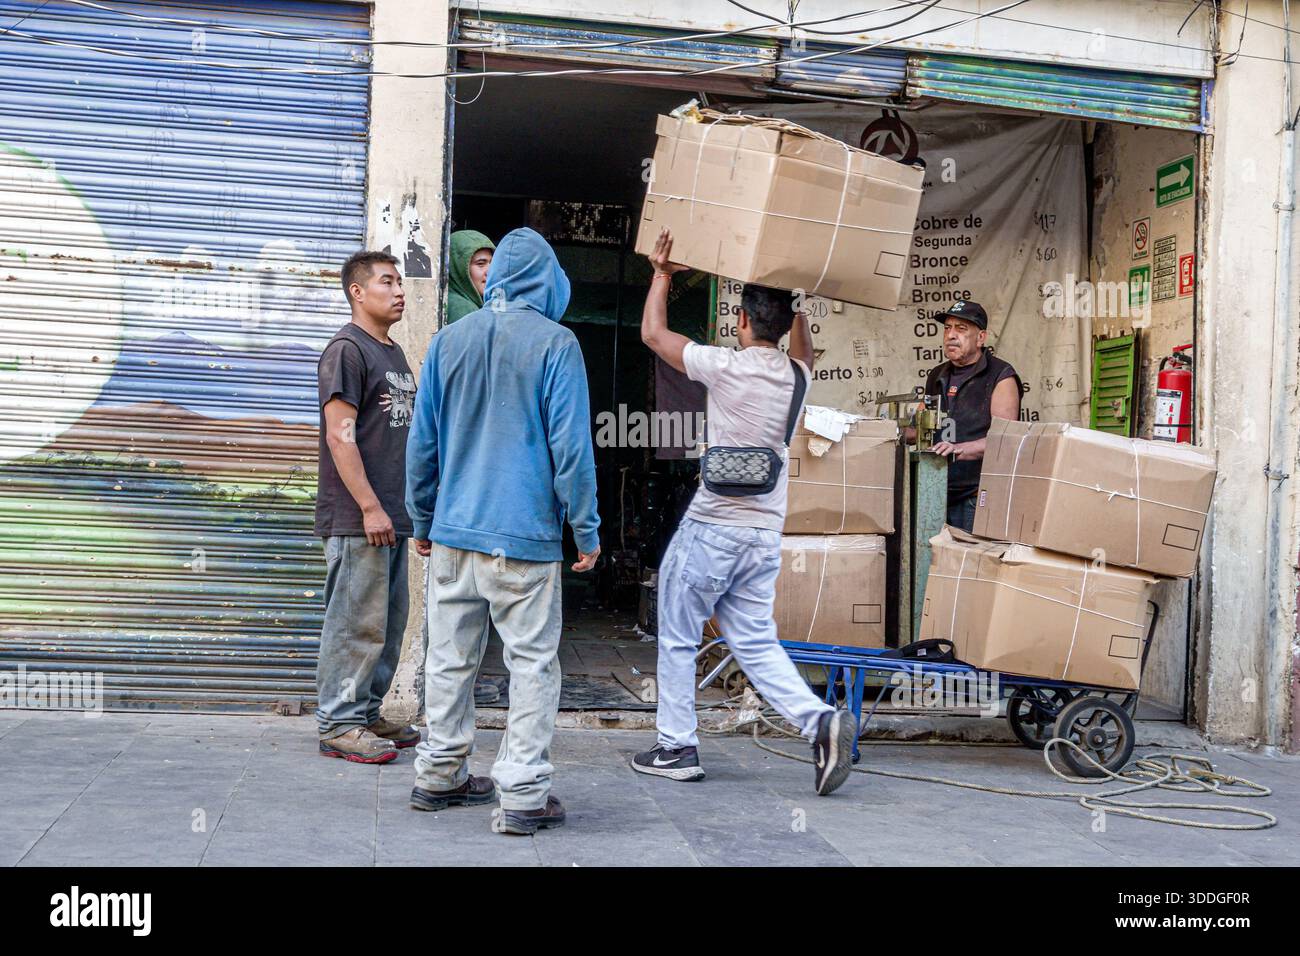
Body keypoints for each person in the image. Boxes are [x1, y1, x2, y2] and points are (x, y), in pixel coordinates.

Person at [630, 229, 858, 797]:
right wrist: (798, 299)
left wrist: (662, 272)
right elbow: (803, 352)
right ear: (783, 325)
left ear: (740, 320)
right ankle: (819, 721)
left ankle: (676, 746)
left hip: (713, 526)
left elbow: (652, 334)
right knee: (754, 640)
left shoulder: (724, 366)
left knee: (679, 633)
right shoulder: (797, 376)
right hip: (763, 535)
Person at [405, 227, 600, 835]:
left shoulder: (446, 342)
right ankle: (521, 795)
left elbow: (423, 441)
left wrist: (422, 516)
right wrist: (585, 530)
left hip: (455, 535)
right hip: (522, 540)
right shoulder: (557, 344)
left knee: (449, 659)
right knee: (532, 664)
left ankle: (439, 774)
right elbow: (572, 449)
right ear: (547, 280)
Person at [314, 251, 419, 764]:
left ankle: (367, 711)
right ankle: (338, 722)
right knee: (355, 622)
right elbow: (341, 435)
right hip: (361, 517)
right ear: (358, 292)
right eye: (386, 282)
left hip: (393, 515)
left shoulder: (392, 352)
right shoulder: (346, 351)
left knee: (387, 622)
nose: (399, 290)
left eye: (399, 281)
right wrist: (370, 507)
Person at [922, 300, 1022, 532]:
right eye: (947, 328)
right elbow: (919, 423)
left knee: (969, 564)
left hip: (976, 496)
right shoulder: (938, 375)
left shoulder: (1000, 375)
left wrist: (959, 449)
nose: (951, 335)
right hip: (936, 491)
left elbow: (1004, 439)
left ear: (981, 338)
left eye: (961, 328)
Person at [445, 230, 495, 324]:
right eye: (480, 264)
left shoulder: (450, 300)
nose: (490, 271)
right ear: (458, 268)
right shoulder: (464, 311)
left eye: (492, 263)